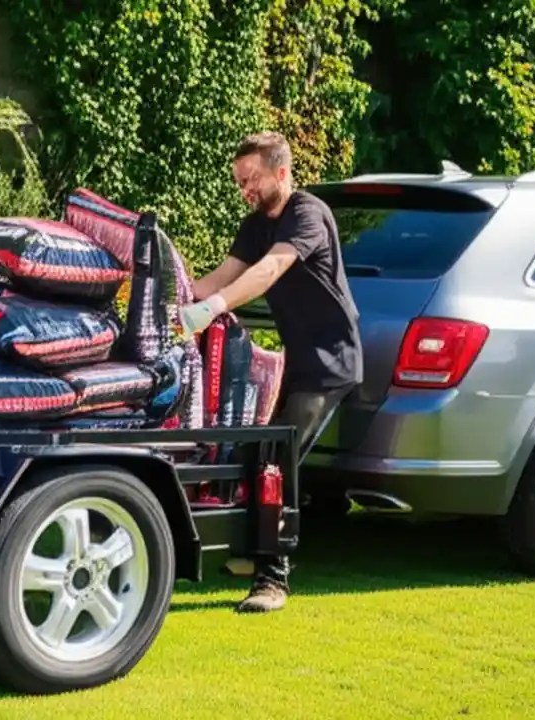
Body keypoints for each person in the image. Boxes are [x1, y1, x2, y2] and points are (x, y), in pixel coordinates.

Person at [180, 131, 363, 613]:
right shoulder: (255, 224)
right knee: (257, 451)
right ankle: (253, 549)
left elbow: (268, 272)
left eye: (253, 179)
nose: (246, 189)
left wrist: (215, 307)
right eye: (240, 181)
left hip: (329, 365)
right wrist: (178, 300)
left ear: (281, 172)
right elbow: (220, 277)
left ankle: (272, 581)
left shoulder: (308, 214)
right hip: (295, 363)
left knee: (276, 464)